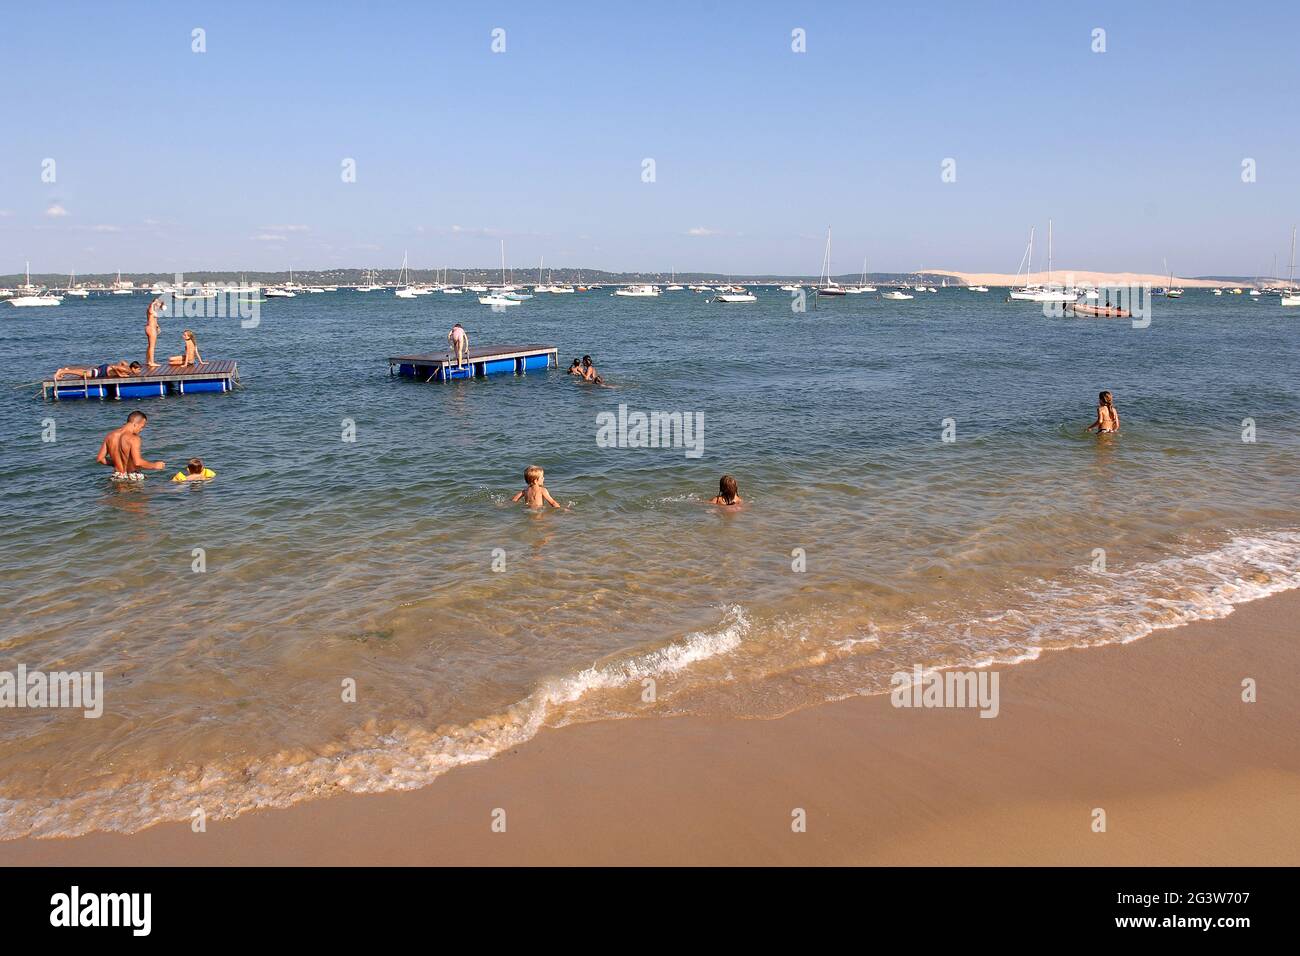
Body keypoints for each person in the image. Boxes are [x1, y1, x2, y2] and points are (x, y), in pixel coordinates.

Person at [95, 411, 165, 480]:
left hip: (117, 476)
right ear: (135, 424)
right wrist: (155, 465)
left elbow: (100, 459)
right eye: (142, 427)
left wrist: (116, 463)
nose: (141, 430)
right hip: (132, 477)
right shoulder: (134, 438)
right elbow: (137, 463)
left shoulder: (110, 436)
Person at [54, 360, 141, 381]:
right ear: (133, 368)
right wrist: (120, 375)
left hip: (104, 368)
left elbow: (122, 361)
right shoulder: (127, 370)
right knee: (85, 374)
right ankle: (62, 371)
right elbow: (115, 367)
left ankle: (67, 370)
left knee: (85, 372)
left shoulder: (127, 367)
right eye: (138, 370)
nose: (139, 371)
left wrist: (119, 369)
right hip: (102, 371)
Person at [145, 298, 165, 369]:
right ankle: (152, 362)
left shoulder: (154, 310)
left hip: (150, 327)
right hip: (151, 328)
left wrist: (158, 326)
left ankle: (148, 360)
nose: (158, 303)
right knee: (152, 346)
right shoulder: (151, 308)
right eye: (157, 301)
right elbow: (151, 312)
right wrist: (153, 303)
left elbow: (153, 319)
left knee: (150, 345)